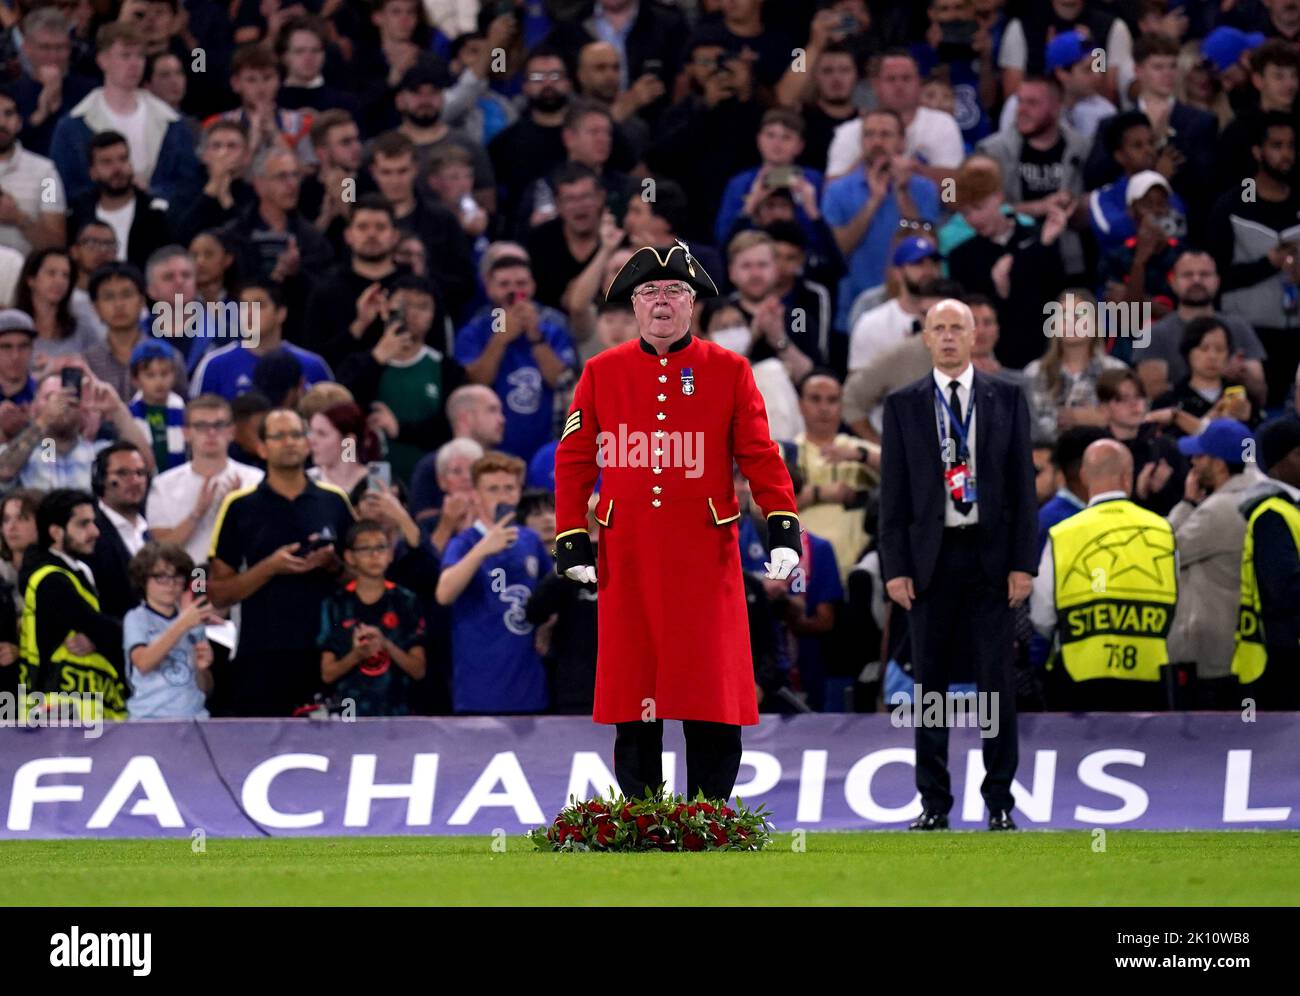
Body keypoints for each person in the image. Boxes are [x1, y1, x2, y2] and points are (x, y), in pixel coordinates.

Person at [553, 241, 802, 802]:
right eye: (648, 292)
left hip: (704, 552)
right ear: (633, 307)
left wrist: (783, 524)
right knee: (634, 684)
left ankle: (711, 813)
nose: (661, 302)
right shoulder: (600, 372)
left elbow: (760, 454)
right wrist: (571, 538)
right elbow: (572, 461)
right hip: (629, 553)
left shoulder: (730, 370)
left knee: (709, 682)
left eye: (673, 291)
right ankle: (643, 814)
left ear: (693, 304)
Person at [878, 297, 1036, 831]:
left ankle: (999, 803)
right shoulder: (902, 405)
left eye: (957, 328)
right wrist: (894, 567)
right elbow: (892, 495)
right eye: (938, 328)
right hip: (930, 561)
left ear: (975, 337)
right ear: (925, 338)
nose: (947, 337)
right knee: (930, 689)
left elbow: (1022, 488)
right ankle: (934, 804)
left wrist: (1023, 564)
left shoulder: (1008, 398)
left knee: (998, 685)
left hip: (990, 557)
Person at [207, 408, 355, 716]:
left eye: (296, 435)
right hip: (262, 652)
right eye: (278, 436)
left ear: (307, 443)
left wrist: (333, 566)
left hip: (329, 651)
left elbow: (362, 578)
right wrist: (269, 568)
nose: (289, 442)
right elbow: (218, 593)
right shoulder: (240, 506)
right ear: (261, 447)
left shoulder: (335, 501)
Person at [1031, 439, 1177, 712]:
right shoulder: (1163, 530)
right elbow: (1178, 605)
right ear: (1127, 476)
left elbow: (1042, 615)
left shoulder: (1062, 534)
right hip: (1149, 677)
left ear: (1085, 476)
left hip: (1079, 679)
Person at [434, 451, 551, 714]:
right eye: (492, 489)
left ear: (519, 493)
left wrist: (549, 625)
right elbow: (444, 594)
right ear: (475, 494)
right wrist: (483, 549)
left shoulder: (530, 541)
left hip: (529, 688)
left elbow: (551, 593)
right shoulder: (464, 543)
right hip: (479, 690)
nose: (502, 496)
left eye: (509, 488)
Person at [48, 22, 202, 204]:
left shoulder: (171, 121)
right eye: (125, 56)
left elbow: (189, 182)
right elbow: (63, 186)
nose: (134, 64)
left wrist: (153, 193)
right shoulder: (73, 126)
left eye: (140, 56)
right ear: (103, 60)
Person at [1166, 420, 1261, 708]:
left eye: (1200, 456)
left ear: (1219, 464)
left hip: (1211, 654)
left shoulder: (1219, 509)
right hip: (1238, 644)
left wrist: (1186, 502)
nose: (1193, 463)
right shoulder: (1255, 496)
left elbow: (1165, 549)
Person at [454, 253, 577, 461]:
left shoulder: (553, 325)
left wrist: (536, 337)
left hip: (546, 446)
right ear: (489, 287)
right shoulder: (475, 329)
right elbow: (476, 381)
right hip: (492, 449)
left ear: (533, 286)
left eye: (521, 283)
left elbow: (561, 380)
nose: (513, 291)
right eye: (504, 284)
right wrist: (501, 339)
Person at [18, 488, 128, 720]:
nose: (95, 532)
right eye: (83, 524)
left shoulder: (79, 569)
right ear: (56, 532)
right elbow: (96, 625)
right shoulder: (50, 579)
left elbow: (98, 629)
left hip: (80, 699)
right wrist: (124, 632)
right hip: (55, 705)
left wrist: (98, 638)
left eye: (94, 523)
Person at [319, 519, 426, 716]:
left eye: (380, 547)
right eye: (365, 549)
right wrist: (358, 654)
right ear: (350, 557)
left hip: (397, 714)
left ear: (391, 554)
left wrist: (385, 644)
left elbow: (418, 670)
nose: (374, 555)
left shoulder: (405, 601)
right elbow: (327, 674)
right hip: (350, 713)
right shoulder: (336, 603)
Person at [145, 393, 264, 565]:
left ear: (231, 431)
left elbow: (265, 540)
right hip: (194, 574)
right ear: (186, 433)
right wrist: (198, 513)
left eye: (219, 425)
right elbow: (161, 550)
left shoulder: (256, 480)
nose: (211, 433)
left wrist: (236, 511)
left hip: (243, 575)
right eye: (201, 426)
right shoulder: (164, 485)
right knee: (199, 586)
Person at [1137, 250, 1267, 407]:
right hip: (1177, 424)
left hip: (1234, 418)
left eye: (1204, 274)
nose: (1196, 280)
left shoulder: (1239, 327)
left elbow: (1260, 394)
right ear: (1172, 282)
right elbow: (1151, 395)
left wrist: (1241, 375)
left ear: (1217, 281)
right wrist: (1214, 372)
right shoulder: (1153, 333)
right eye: (1188, 275)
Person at [1232, 418, 1300, 709]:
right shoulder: (1272, 515)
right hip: (1282, 663)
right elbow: (1282, 589)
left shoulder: (1290, 510)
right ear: (1277, 464)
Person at [122, 541, 218, 719]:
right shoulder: (136, 618)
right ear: (144, 580)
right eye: (161, 578)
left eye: (177, 577)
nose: (170, 585)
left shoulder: (193, 621)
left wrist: (202, 669)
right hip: (149, 718)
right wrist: (182, 624)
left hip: (194, 718)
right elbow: (143, 663)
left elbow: (205, 688)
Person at [65, 130, 173, 270]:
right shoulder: (77, 214)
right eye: (107, 162)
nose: (117, 168)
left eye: (123, 159)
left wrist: (177, 294)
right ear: (93, 172)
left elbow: (174, 267)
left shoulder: (157, 211)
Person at [85, 440, 151, 620]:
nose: (135, 481)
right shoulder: (89, 531)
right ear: (100, 479)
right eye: (123, 473)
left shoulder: (149, 529)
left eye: (140, 473)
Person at [128, 340, 186, 471]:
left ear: (174, 375)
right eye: (150, 375)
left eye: (164, 374)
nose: (159, 381)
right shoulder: (129, 415)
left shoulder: (184, 412)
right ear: (136, 380)